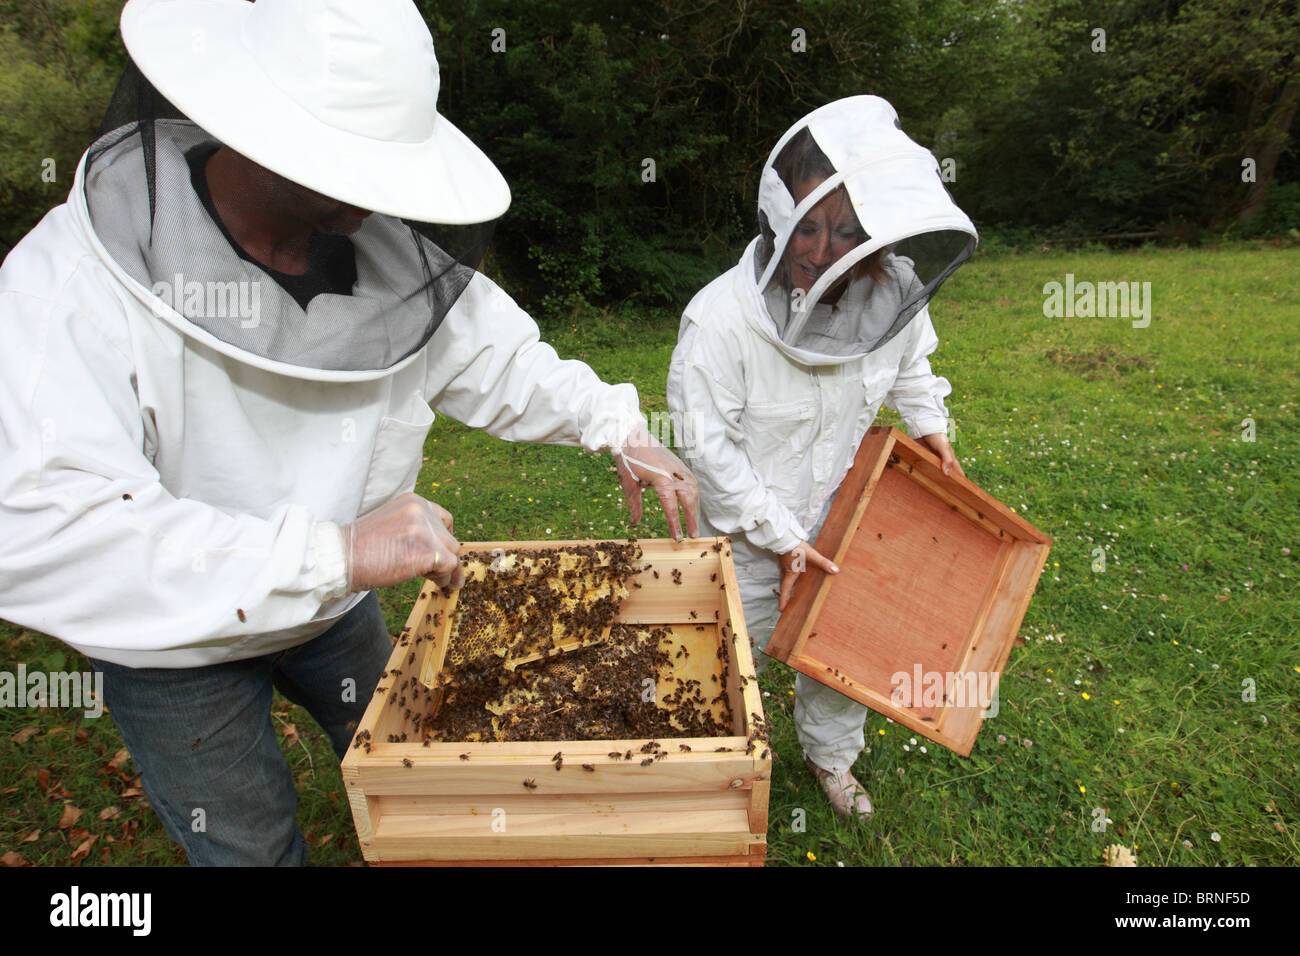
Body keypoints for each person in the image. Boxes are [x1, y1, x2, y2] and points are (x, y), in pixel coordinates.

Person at [0, 0, 698, 865]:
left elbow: (501, 357)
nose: (378, 199)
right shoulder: (61, 290)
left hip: (335, 608)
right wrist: (335, 552)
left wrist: (620, 425)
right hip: (175, 645)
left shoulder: (385, 250)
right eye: (349, 167)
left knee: (416, 773)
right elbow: (42, 528)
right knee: (248, 845)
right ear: (257, 136)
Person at [666, 96, 977, 820]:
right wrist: (779, 537)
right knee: (719, 655)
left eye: (844, 231)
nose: (819, 249)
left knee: (840, 651)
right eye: (807, 226)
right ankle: (718, 766)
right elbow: (708, 451)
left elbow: (911, 363)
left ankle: (830, 759)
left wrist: (930, 424)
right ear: (779, 219)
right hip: (742, 536)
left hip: (844, 515)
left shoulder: (893, 292)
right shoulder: (719, 322)